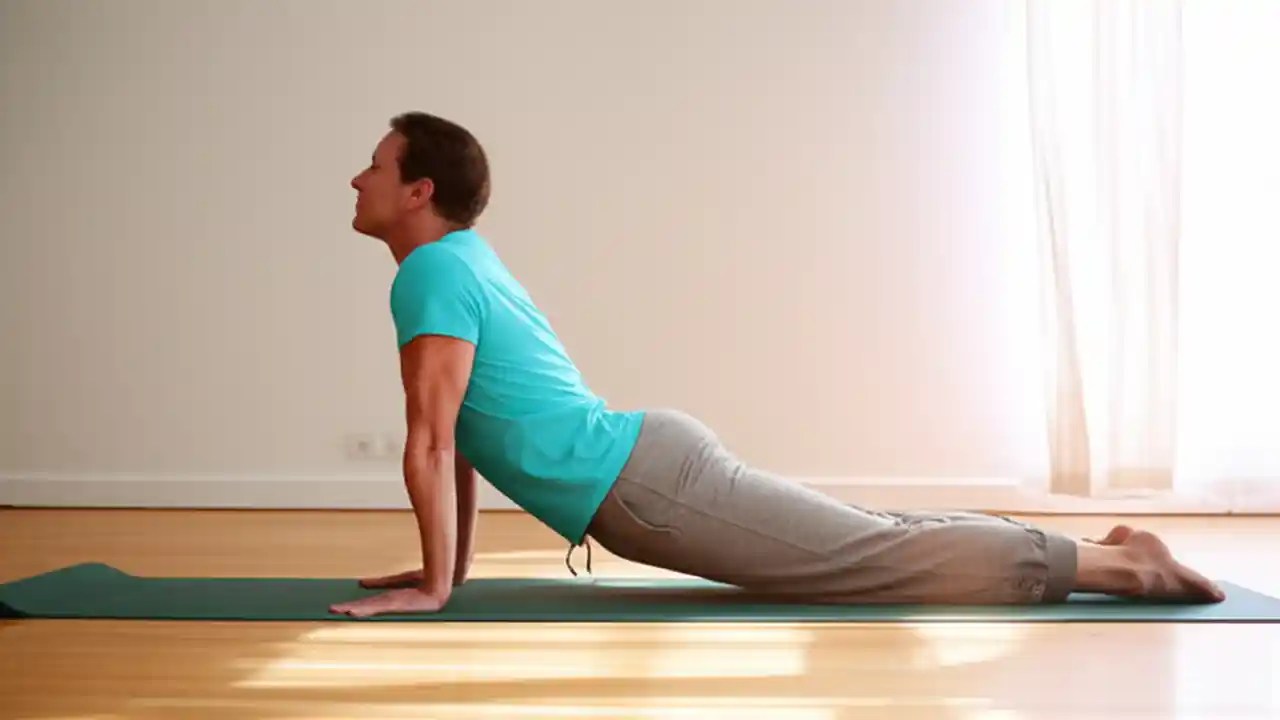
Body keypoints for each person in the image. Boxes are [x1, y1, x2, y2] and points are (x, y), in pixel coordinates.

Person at [329, 111, 1225, 618]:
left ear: (420, 191)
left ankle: (1124, 571)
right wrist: (449, 572)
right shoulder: (459, 262)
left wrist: (436, 587)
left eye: (373, 166)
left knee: (872, 557)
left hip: (645, 487)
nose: (357, 180)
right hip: (645, 469)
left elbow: (433, 443)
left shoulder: (433, 274)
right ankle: (1103, 553)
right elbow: (465, 437)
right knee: (872, 534)